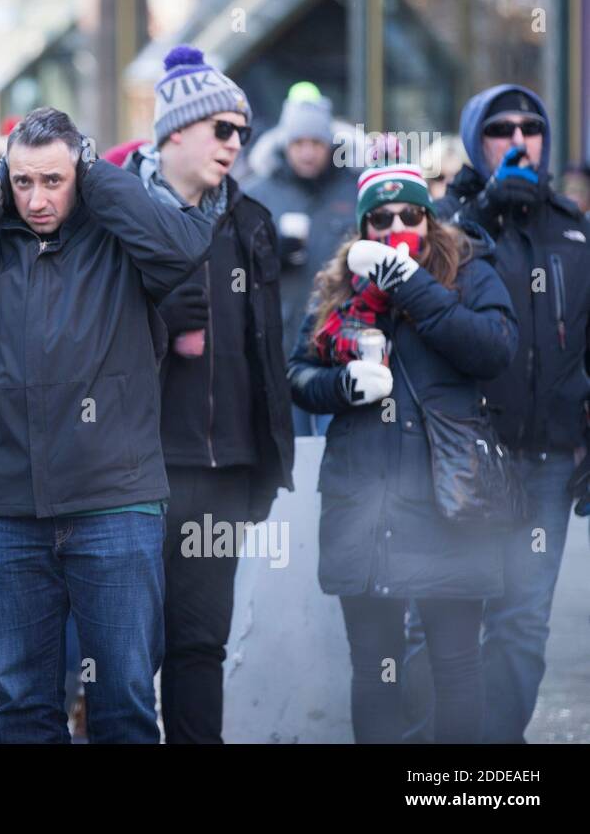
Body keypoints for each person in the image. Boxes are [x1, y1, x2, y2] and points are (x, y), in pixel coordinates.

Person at [0, 105, 214, 743]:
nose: (36, 198)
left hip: (114, 503)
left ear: (83, 174)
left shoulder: (120, 239)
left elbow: (184, 247)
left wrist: (96, 173)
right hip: (4, 510)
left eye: (55, 180)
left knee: (122, 702)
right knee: (23, 706)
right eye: (22, 181)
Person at [288, 163, 517, 743]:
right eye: (381, 218)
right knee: (375, 672)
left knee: (457, 668)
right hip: (365, 500)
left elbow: (493, 349)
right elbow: (298, 371)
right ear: (363, 225)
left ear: (428, 217)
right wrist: (341, 387)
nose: (396, 226)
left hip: (449, 499)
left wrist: (411, 282)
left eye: (410, 215)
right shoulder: (340, 284)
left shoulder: (467, 269)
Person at [121, 45, 295, 743]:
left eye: (243, 132)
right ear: (175, 132)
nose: (235, 143)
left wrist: (266, 459)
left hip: (222, 470)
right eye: (222, 128)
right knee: (127, 649)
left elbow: (266, 350)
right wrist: (161, 317)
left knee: (200, 644)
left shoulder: (250, 220)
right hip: (133, 469)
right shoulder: (121, 213)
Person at [430, 84, 590, 742]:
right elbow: (427, 311)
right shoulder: (444, 221)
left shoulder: (572, 225)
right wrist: (482, 218)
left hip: (549, 458)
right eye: (501, 128)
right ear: (475, 140)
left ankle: (497, 761)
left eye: (532, 127)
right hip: (468, 454)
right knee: (448, 621)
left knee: (523, 624)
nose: (519, 139)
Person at [240, 82, 360, 434]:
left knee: (335, 450)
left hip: (341, 348)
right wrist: (268, 255)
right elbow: (233, 268)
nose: (307, 152)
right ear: (284, 144)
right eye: (298, 143)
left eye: (316, 143)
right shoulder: (257, 193)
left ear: (330, 144)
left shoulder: (354, 190)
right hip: (278, 350)